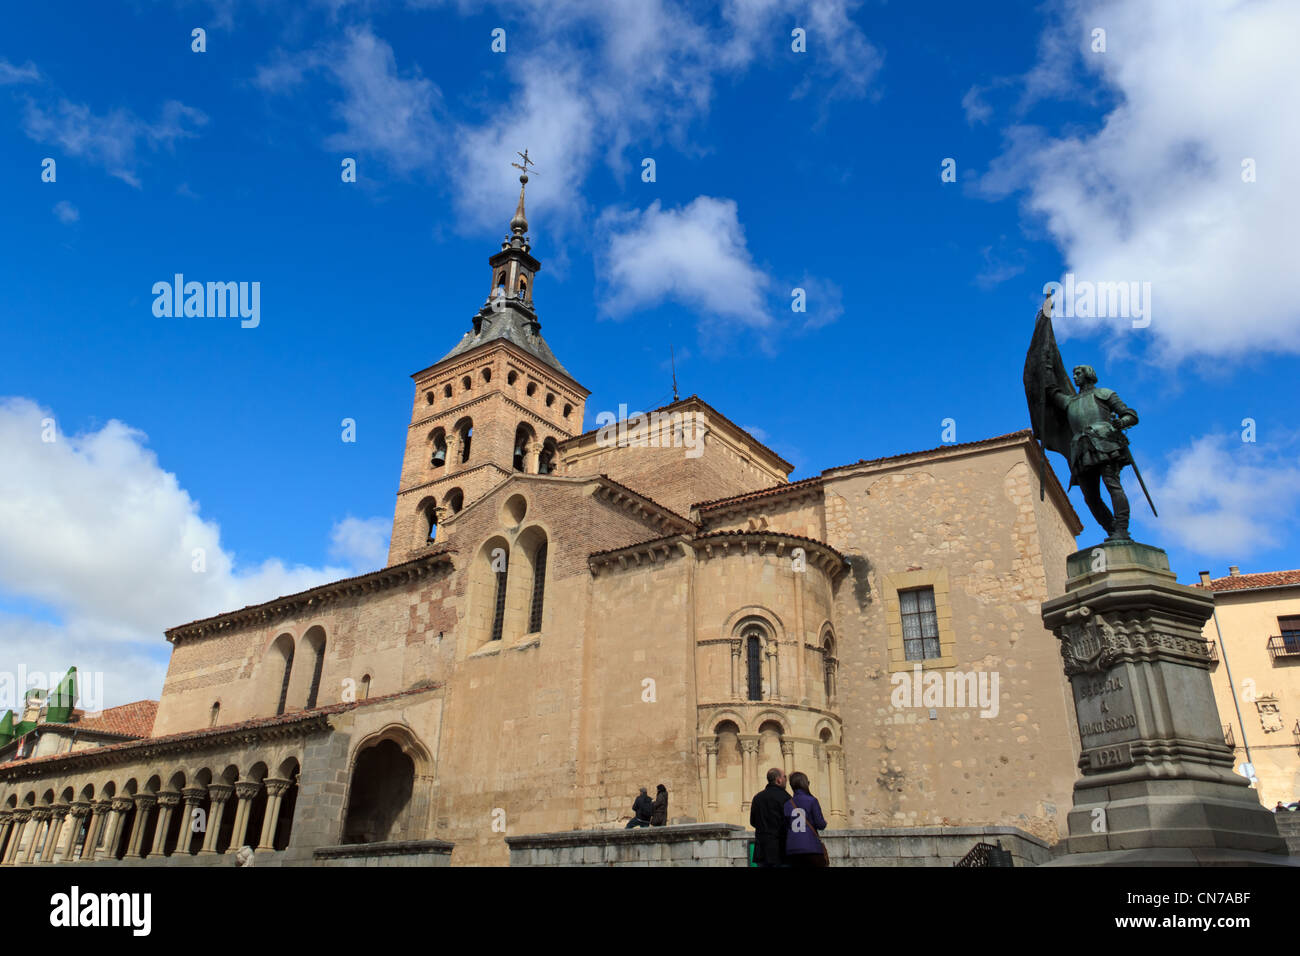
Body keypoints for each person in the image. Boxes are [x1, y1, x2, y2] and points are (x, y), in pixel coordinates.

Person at [782, 771, 828, 866]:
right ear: (805, 784)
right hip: (811, 848)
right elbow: (820, 824)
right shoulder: (812, 801)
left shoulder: (787, 804)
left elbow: (785, 826)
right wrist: (824, 822)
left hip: (792, 849)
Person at [749, 767, 790, 867]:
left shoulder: (757, 797)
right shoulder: (786, 798)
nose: (786, 779)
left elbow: (753, 821)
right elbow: (789, 823)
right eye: (784, 777)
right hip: (780, 851)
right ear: (778, 780)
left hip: (761, 850)